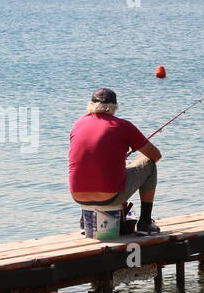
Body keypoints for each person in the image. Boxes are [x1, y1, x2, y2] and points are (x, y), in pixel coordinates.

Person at [68, 87, 162, 234]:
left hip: (78, 196)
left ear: (91, 105)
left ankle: (84, 220)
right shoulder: (123, 126)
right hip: (111, 196)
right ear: (115, 107)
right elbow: (155, 155)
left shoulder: (77, 124)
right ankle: (145, 222)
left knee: (86, 168)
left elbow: (87, 156)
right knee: (148, 164)